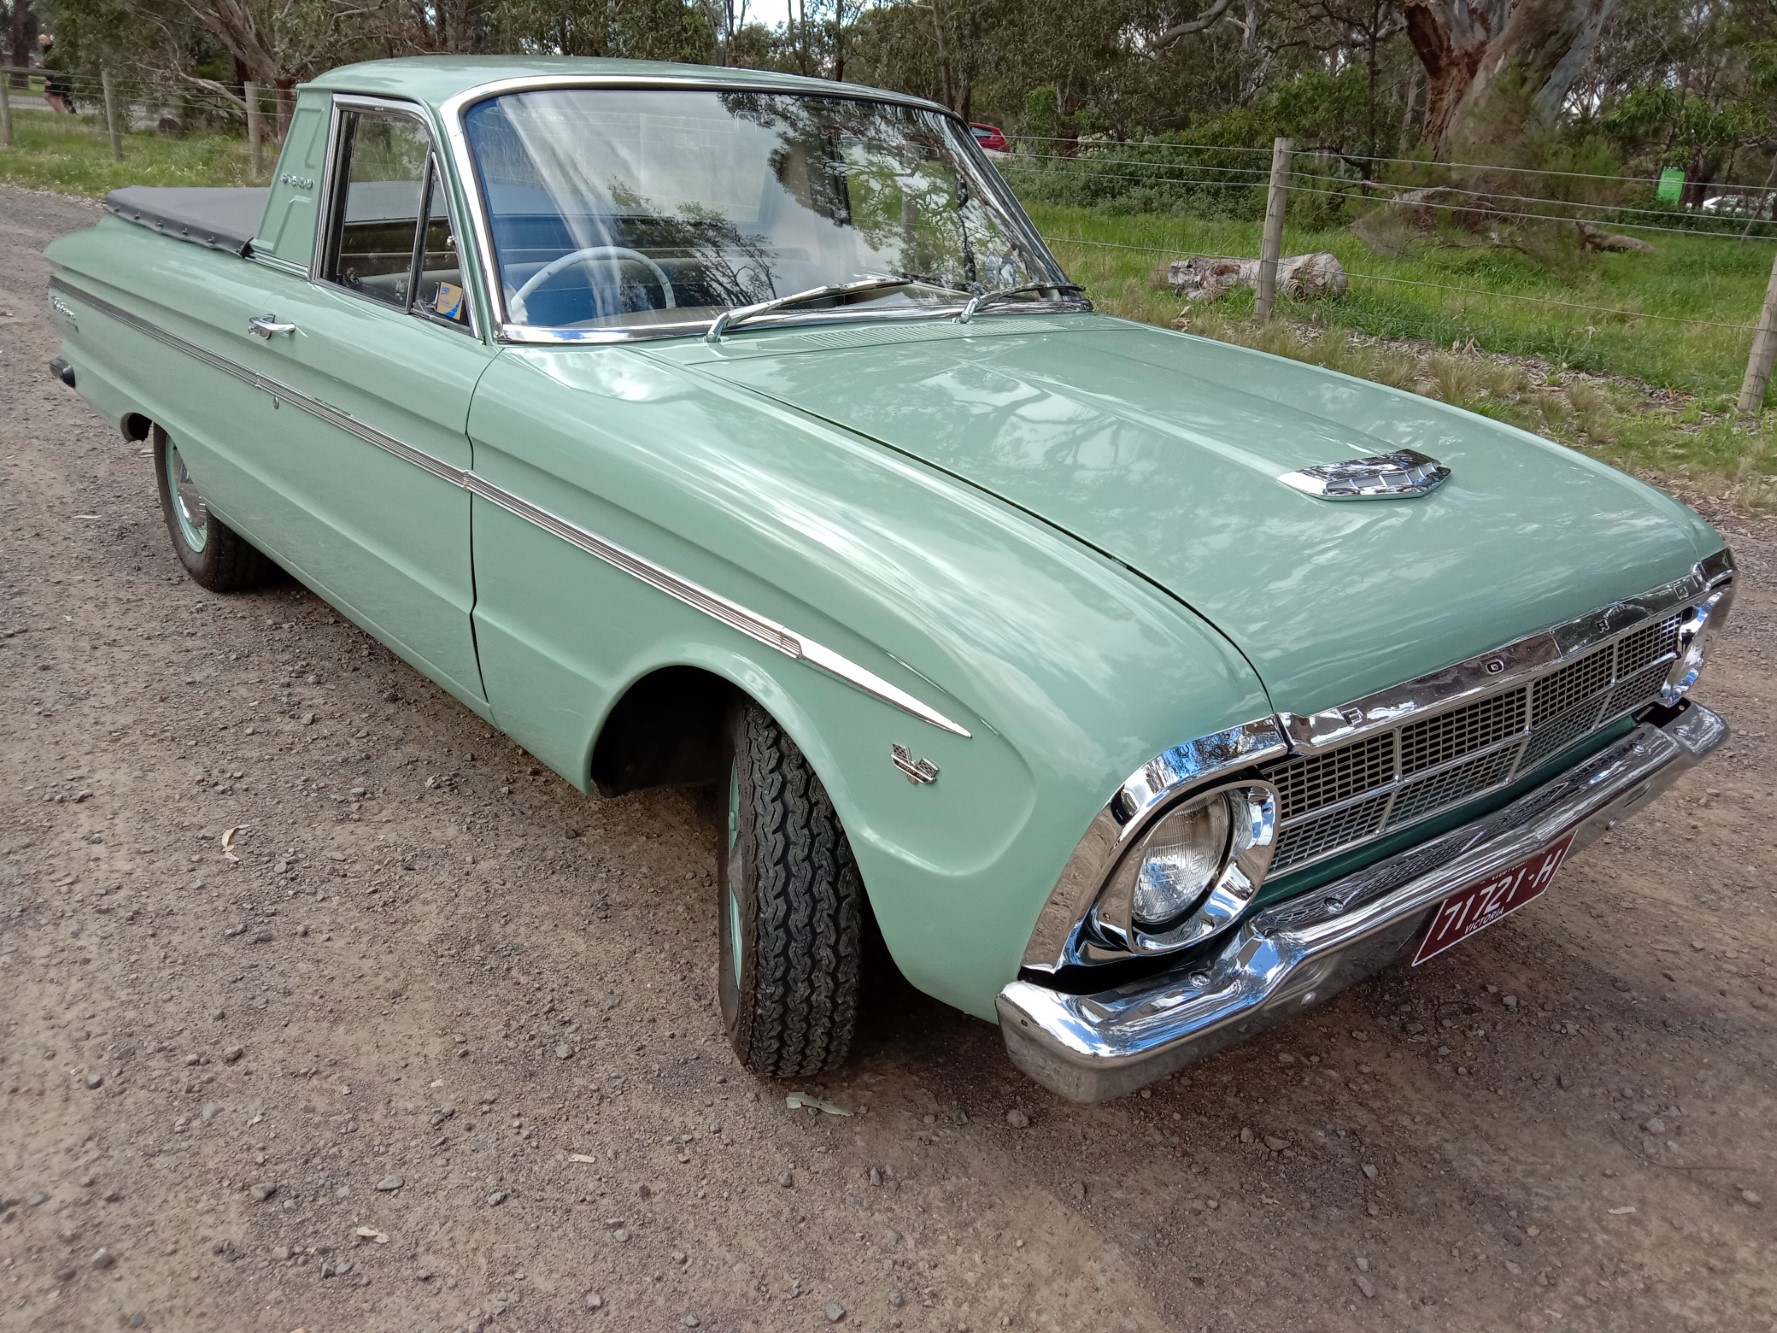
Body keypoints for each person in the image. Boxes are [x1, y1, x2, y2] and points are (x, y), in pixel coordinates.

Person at [38, 33, 77, 115]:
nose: (40, 42)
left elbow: (53, 64)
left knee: (57, 97)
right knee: (47, 96)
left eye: (42, 40)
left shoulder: (53, 50)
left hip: (56, 77)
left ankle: (63, 115)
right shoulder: (45, 50)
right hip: (50, 76)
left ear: (48, 40)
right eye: (39, 40)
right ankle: (60, 113)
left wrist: (42, 66)